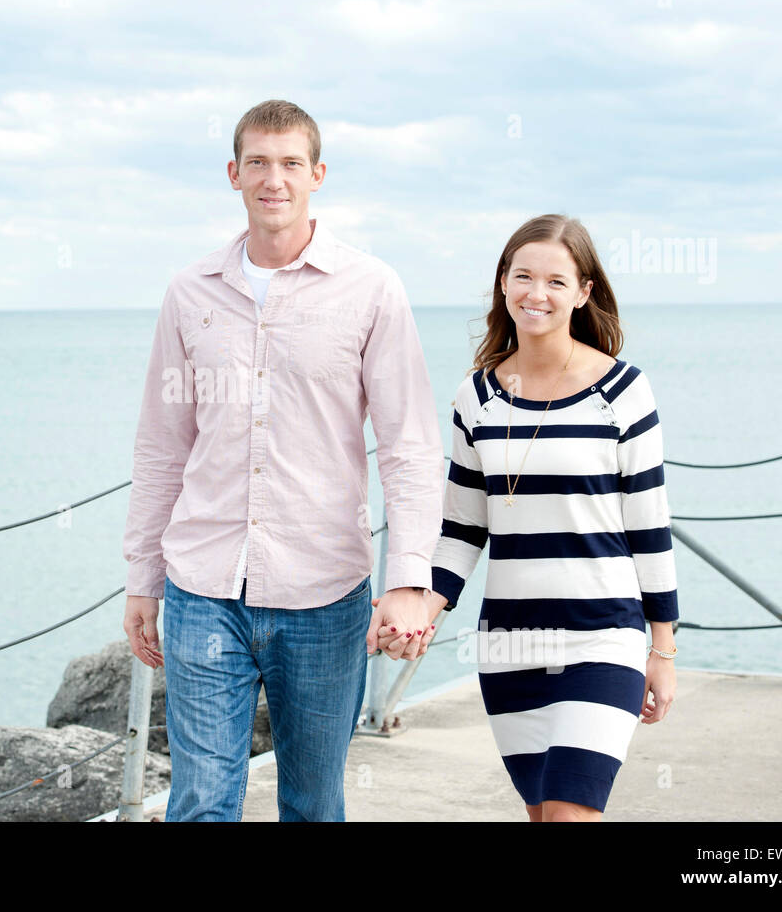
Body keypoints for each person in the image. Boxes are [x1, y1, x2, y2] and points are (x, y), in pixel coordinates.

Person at [121, 99, 444, 822]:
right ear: (234, 173)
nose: (275, 178)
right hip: (204, 585)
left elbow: (410, 446)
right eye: (259, 162)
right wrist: (142, 576)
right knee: (201, 801)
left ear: (317, 175)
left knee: (312, 802)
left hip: (325, 592)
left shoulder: (372, 290)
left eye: (291, 163)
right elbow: (162, 446)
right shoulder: (188, 292)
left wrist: (410, 580)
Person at [425, 213, 678, 822]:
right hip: (510, 643)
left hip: (603, 637)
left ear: (584, 292)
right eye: (524, 276)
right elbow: (462, 528)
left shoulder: (622, 391)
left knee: (569, 814)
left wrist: (662, 649)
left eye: (557, 281)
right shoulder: (476, 398)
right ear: (504, 283)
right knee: (543, 816)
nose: (537, 294)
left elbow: (650, 526)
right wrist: (421, 611)